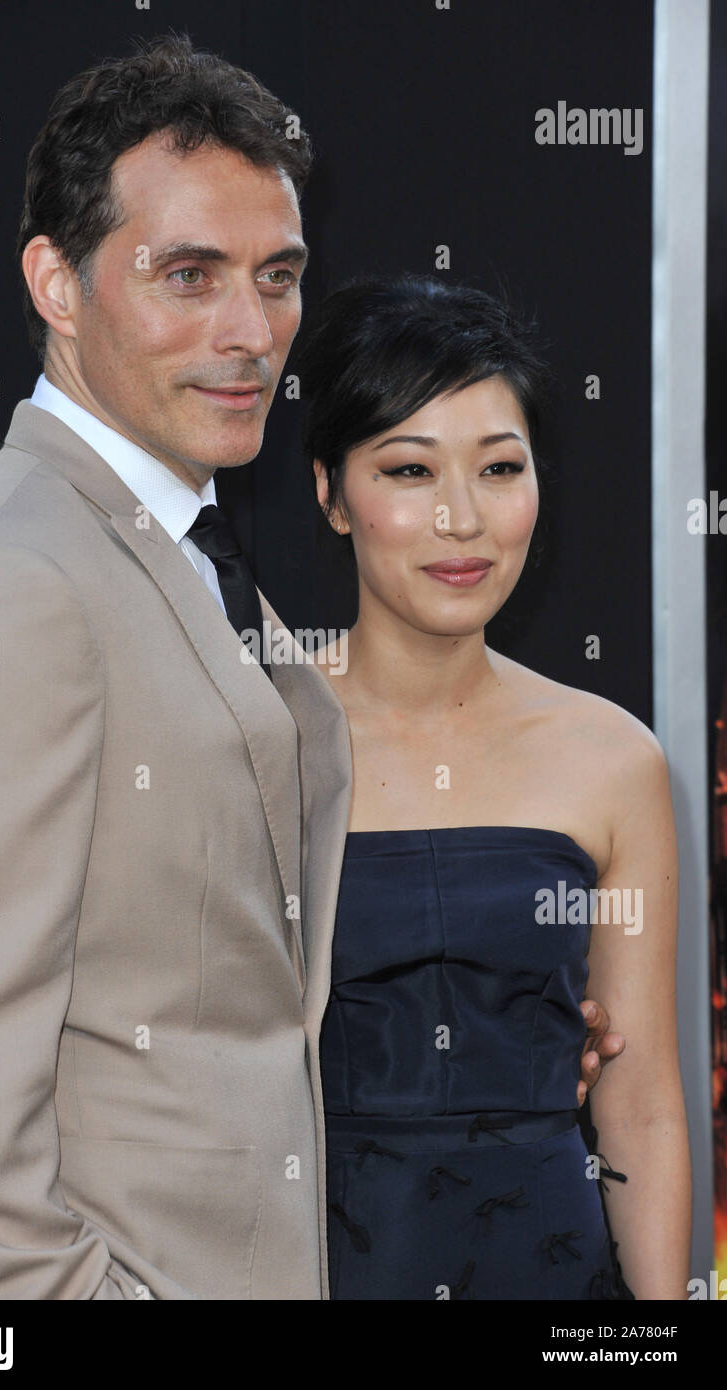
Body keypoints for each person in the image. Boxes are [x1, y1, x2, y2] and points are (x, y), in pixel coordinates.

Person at [0, 39, 620, 1301]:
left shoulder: (178, 549)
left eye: (277, 278)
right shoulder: (10, 588)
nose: (250, 333)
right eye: (189, 275)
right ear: (55, 284)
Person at [297, 273, 691, 1300]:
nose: (462, 518)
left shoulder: (611, 757)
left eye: (499, 468)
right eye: (409, 469)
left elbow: (641, 1099)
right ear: (331, 494)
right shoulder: (254, 740)